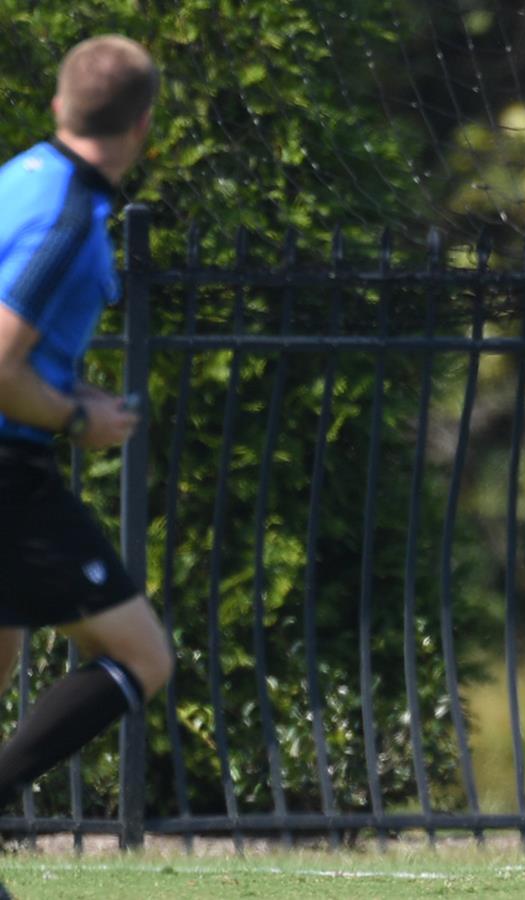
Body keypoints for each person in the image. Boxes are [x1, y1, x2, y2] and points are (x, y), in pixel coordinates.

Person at [0, 33, 174, 868]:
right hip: (8, 470)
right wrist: (79, 420)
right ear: (142, 125)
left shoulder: (16, 178)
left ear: (60, 104)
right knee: (141, 655)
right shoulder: (70, 213)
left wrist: (71, 394)